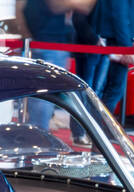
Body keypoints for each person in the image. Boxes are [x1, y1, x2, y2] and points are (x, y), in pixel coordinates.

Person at [14, 0, 97, 129]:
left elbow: (19, 9)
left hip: (41, 44)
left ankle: (36, 137)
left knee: (38, 100)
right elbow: (60, 6)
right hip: (49, 45)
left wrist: (27, 36)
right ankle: (39, 141)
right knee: (42, 101)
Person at [86, 0, 134, 114]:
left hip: (118, 39)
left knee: (113, 88)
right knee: (114, 89)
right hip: (119, 41)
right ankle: (101, 128)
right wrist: (126, 47)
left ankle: (100, 127)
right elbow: (119, 14)